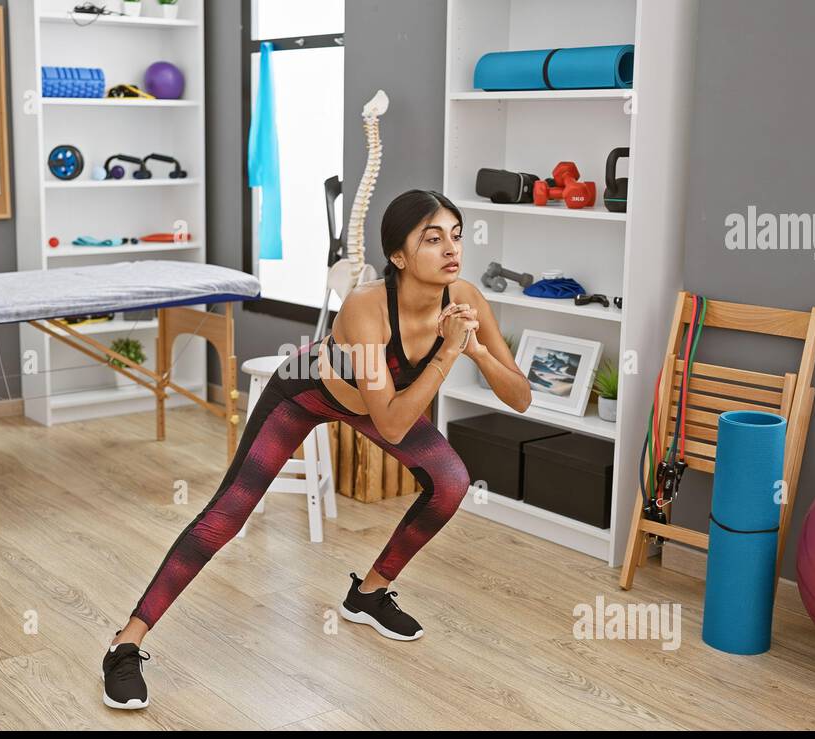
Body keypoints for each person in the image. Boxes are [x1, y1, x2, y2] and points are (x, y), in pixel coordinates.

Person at [102, 189, 532, 709]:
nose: (451, 249)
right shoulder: (367, 305)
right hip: (305, 393)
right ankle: (125, 644)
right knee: (228, 515)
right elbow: (393, 425)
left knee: (451, 483)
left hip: (378, 405)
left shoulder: (464, 298)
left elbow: (521, 397)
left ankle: (368, 594)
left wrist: (479, 350)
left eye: (456, 236)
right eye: (432, 238)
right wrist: (447, 352)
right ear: (398, 255)